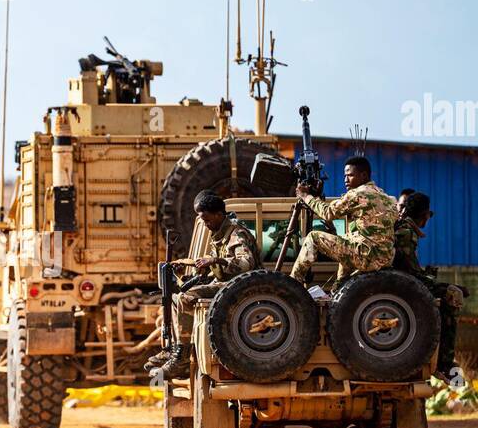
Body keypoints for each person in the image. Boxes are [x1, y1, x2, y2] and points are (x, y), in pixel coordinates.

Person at [147, 190, 261, 380]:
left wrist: (216, 260)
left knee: (186, 298)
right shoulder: (220, 233)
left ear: (218, 214)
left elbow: (245, 264)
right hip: (230, 284)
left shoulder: (236, 234)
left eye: (207, 220)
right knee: (177, 297)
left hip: (244, 287)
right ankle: (174, 349)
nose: (206, 225)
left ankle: (182, 359)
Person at [289, 156, 396, 286]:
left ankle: (293, 283)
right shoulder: (387, 197)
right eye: (345, 176)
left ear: (363, 176)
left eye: (350, 175)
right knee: (347, 242)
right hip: (385, 258)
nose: (345, 180)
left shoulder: (357, 194)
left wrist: (306, 196)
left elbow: (328, 213)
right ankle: (338, 290)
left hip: (368, 256)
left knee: (314, 237)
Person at [394, 191, 465, 381]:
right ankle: (445, 363)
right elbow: (410, 275)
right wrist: (447, 286)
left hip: (401, 285)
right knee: (453, 296)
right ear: (424, 215)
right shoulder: (406, 233)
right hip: (401, 288)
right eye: (428, 215)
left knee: (448, 291)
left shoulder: (404, 230)